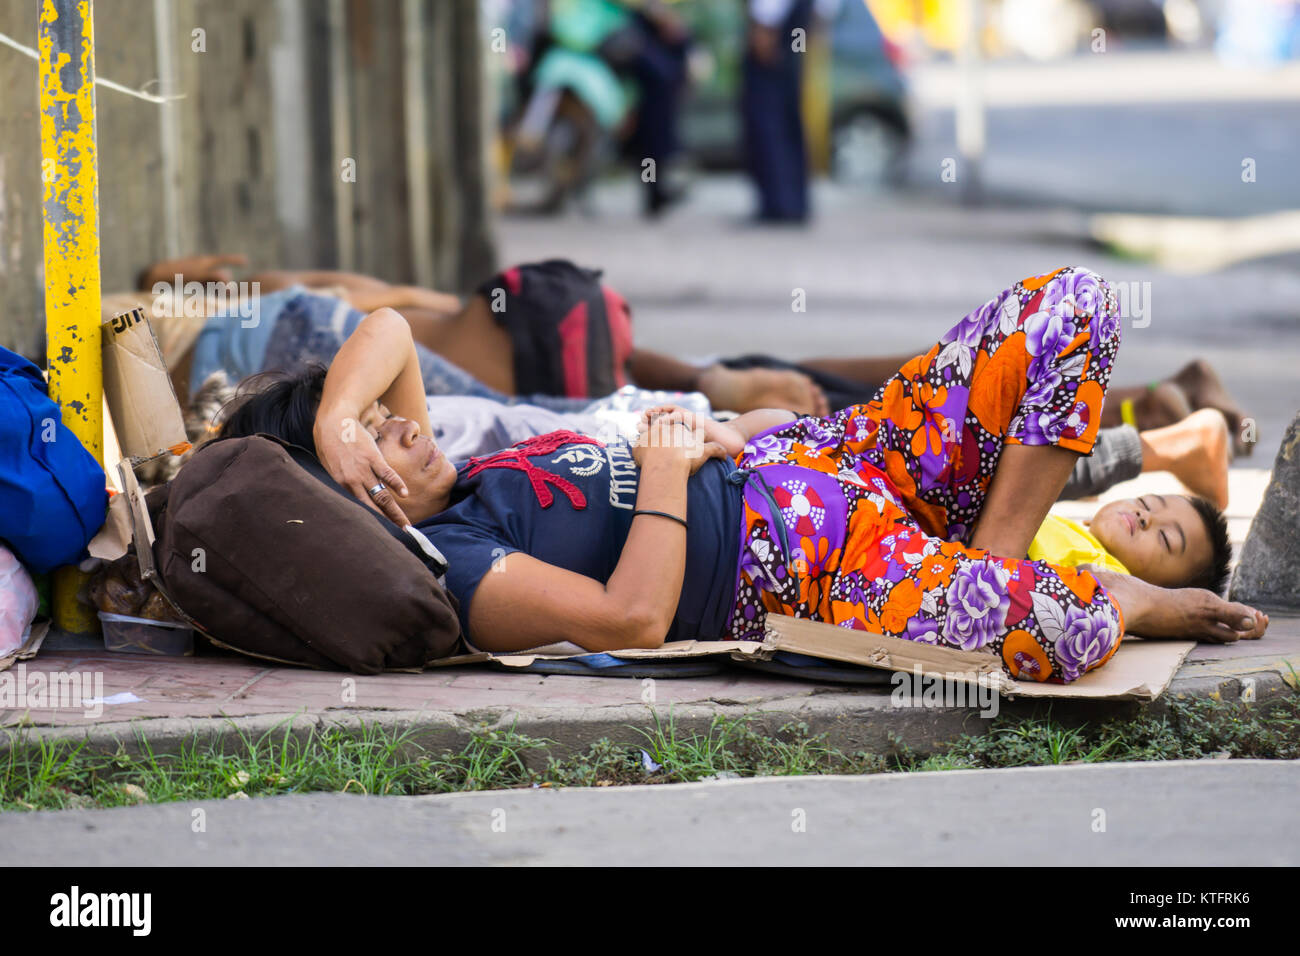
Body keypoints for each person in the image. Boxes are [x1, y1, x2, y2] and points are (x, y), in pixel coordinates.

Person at [217, 265, 1269, 683]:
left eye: (388, 426)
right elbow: (627, 620)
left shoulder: (455, 474)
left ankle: (985, 566)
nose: (411, 431)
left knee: (1071, 305)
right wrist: (668, 470)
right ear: (349, 494)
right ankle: (1077, 594)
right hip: (807, 562)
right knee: (1073, 632)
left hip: (831, 458)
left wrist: (345, 414)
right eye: (377, 446)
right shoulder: (455, 562)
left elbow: (391, 328)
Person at [742, 0, 813, 223]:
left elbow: (767, 13)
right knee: (789, 124)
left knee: (768, 127)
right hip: (793, 43)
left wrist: (762, 38)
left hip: (775, 45)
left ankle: (778, 205)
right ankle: (794, 203)